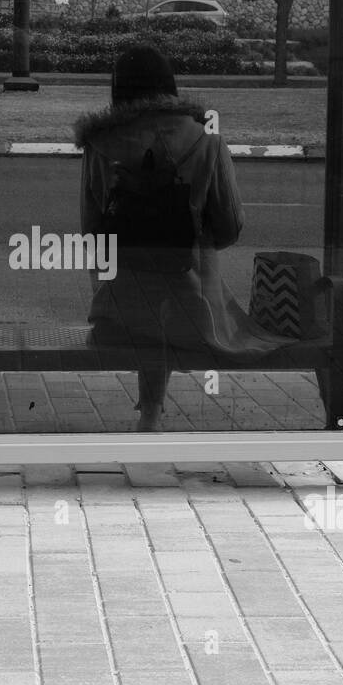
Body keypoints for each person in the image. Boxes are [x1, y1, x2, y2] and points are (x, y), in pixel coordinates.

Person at [75, 46, 288, 432]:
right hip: (197, 316)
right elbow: (228, 229)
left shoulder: (99, 146)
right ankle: (151, 414)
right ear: (170, 85)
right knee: (173, 300)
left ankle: (150, 413)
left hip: (118, 314)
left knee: (147, 303)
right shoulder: (206, 141)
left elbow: (91, 231)